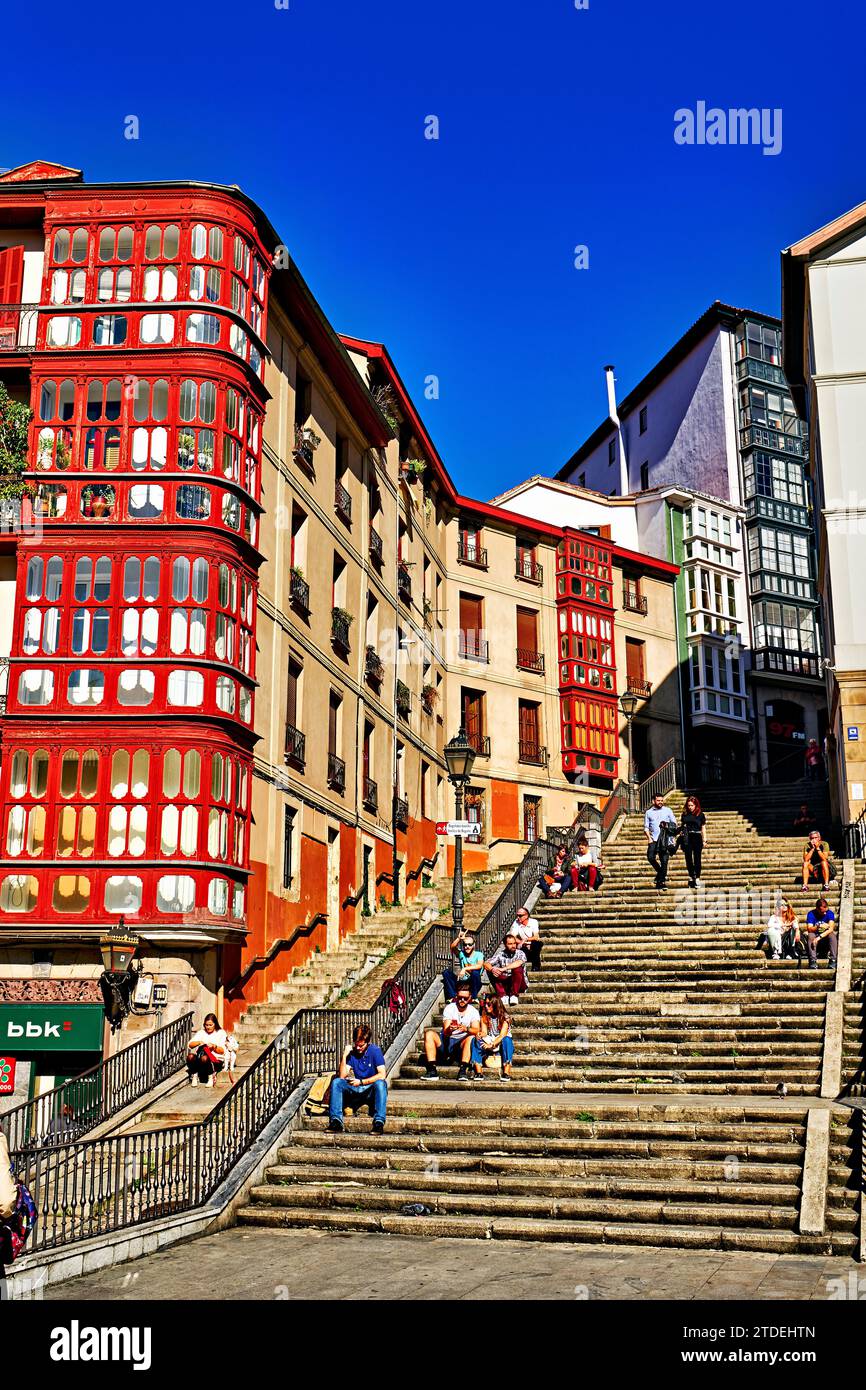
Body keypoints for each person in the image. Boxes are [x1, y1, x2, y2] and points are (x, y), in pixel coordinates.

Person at [328, 1024, 388, 1133]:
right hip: (354, 1089)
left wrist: (361, 1082)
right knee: (337, 1082)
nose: (358, 1048)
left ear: (367, 1042)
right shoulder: (352, 1053)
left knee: (381, 1084)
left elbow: (382, 1074)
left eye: (361, 1046)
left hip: (369, 1088)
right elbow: (342, 1076)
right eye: (356, 1045)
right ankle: (336, 1121)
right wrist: (344, 1056)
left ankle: (379, 1122)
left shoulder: (375, 1051)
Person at [423, 984, 480, 1081]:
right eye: (460, 997)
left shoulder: (473, 1011)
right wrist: (450, 1029)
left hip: (461, 1043)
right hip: (447, 1039)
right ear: (456, 996)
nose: (462, 1000)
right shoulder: (450, 1008)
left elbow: (476, 1029)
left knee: (471, 1037)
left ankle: (463, 1070)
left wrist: (466, 1029)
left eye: (465, 998)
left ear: (470, 998)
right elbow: (446, 1031)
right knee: (429, 1034)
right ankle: (432, 1070)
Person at [471, 994, 514, 1080]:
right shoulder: (485, 1016)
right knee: (474, 1040)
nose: (486, 1007)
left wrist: (492, 1045)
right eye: (485, 1004)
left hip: (501, 1041)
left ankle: (506, 1072)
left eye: (489, 1004)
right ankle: (478, 1072)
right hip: (490, 1038)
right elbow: (484, 1032)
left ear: (495, 1005)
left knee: (507, 1040)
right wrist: (480, 1034)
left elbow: (502, 1035)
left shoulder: (505, 1017)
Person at [645, 793, 678, 891]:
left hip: (665, 839)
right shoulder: (648, 812)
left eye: (661, 800)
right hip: (654, 839)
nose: (660, 802)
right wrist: (649, 838)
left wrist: (672, 837)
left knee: (664, 861)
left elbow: (674, 824)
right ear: (653, 801)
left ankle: (662, 882)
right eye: (658, 800)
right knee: (650, 857)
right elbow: (646, 827)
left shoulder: (668, 810)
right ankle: (660, 873)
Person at [484, 933, 528, 1004]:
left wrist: (503, 969)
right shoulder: (500, 954)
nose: (513, 946)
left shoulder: (520, 953)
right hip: (507, 983)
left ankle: (514, 995)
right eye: (510, 944)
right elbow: (486, 963)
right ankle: (502, 995)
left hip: (519, 984)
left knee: (517, 968)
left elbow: (519, 962)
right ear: (505, 945)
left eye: (514, 943)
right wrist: (492, 969)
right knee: (491, 970)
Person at [186, 1013, 227, 1087]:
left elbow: (222, 1051)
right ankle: (194, 1075)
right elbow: (189, 1045)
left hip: (215, 1060)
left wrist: (214, 1047)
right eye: (206, 1025)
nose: (208, 1027)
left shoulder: (221, 1033)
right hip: (201, 1059)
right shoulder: (201, 1032)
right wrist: (199, 1042)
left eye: (210, 1025)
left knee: (204, 1058)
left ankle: (210, 1077)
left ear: (215, 1024)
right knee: (190, 1057)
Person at [442, 930, 485, 1001]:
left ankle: (474, 997)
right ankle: (453, 997)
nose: (467, 947)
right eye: (465, 944)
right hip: (462, 981)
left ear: (473, 945)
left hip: (473, 982)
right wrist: (459, 938)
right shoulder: (462, 953)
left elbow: (479, 965)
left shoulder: (479, 954)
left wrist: (464, 969)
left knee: (475, 974)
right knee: (446, 973)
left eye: (470, 944)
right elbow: (452, 947)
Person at [680, 795, 707, 889]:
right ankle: (692, 875)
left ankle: (698, 877)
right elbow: (682, 826)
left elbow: (703, 827)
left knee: (697, 858)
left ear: (696, 805)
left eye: (692, 805)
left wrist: (704, 839)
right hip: (687, 837)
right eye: (688, 805)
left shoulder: (700, 814)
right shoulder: (684, 814)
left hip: (697, 836)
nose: (690, 807)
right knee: (688, 857)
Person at [805, 896, 837, 970]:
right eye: (822, 911)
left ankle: (833, 960)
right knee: (810, 935)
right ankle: (813, 960)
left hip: (824, 937)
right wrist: (818, 926)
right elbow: (809, 929)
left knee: (832, 935)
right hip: (814, 935)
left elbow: (831, 929)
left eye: (826, 910)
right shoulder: (811, 914)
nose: (825, 913)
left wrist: (819, 938)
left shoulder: (830, 913)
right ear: (817, 909)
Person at [512, 906, 542, 970]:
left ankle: (536, 966)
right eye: (517, 915)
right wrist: (522, 942)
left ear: (526, 916)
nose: (518, 917)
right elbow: (513, 937)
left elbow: (536, 937)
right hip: (523, 944)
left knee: (536, 944)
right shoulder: (516, 923)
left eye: (520, 916)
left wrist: (525, 939)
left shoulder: (533, 922)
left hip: (532, 943)